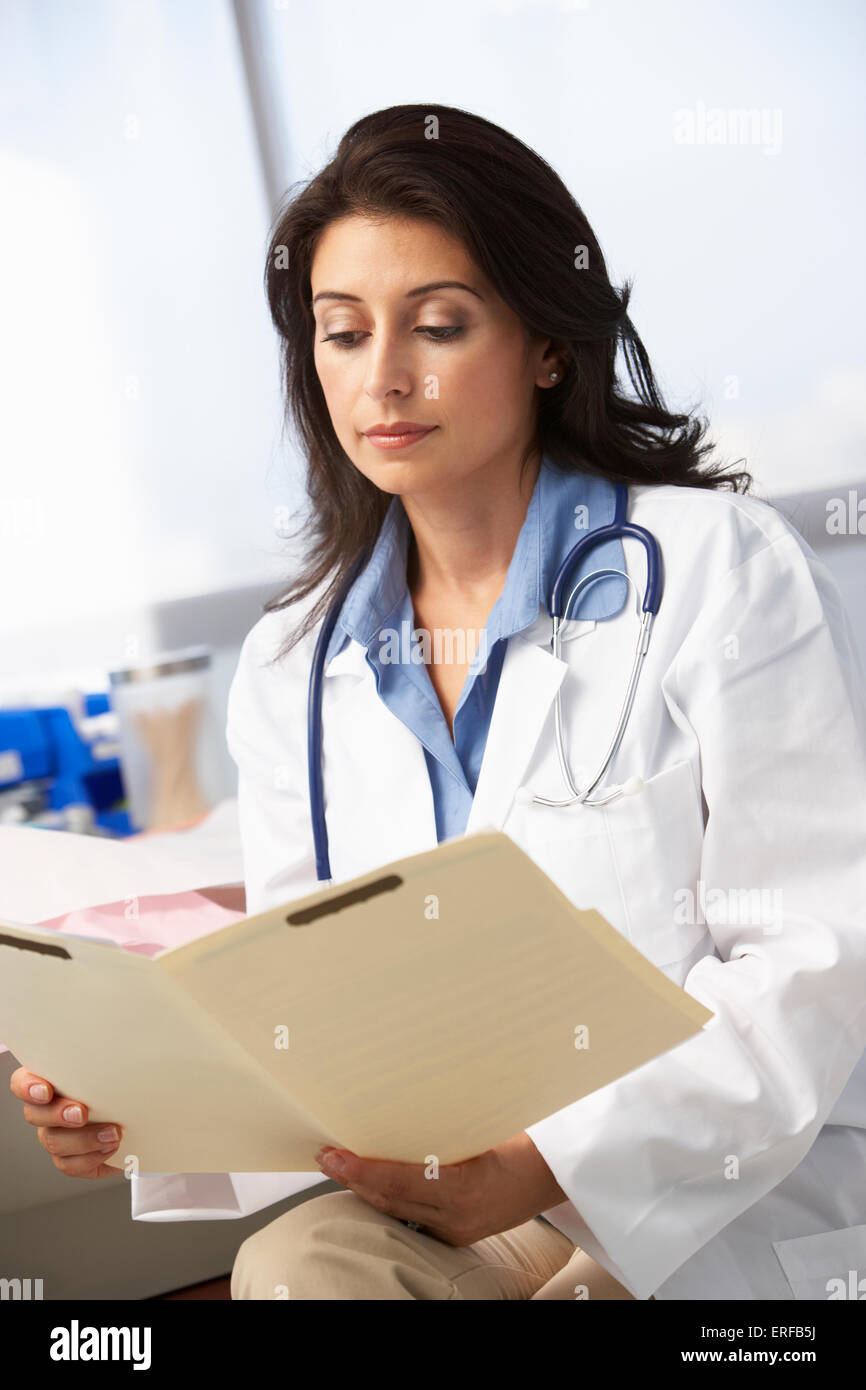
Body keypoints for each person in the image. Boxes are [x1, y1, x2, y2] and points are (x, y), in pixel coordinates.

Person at [12, 103, 866, 1302]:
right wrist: (136, 1111)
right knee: (297, 1264)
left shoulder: (721, 569)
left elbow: (816, 955)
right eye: (341, 333)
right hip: (473, 1202)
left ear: (546, 344)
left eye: (438, 326)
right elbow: (298, 1014)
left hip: (711, 1191)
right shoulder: (294, 663)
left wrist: (544, 1160)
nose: (384, 379)